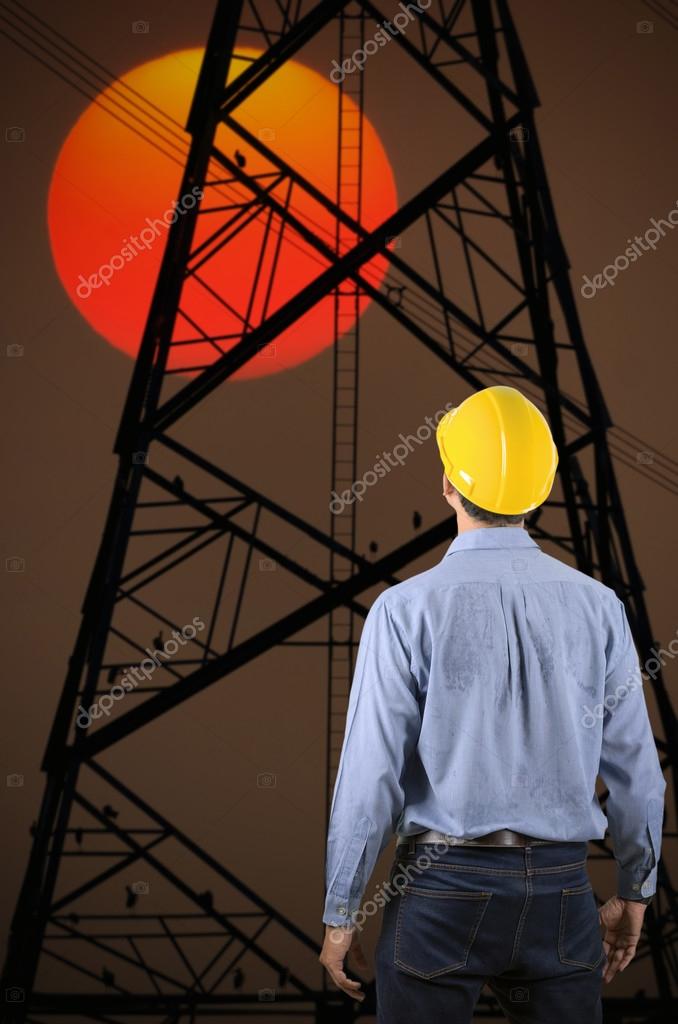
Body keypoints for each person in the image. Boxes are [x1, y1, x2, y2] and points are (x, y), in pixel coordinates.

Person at [319, 386, 665, 1023]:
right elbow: (637, 773)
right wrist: (636, 889)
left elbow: (371, 778)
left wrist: (342, 912)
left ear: (448, 484)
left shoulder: (404, 611)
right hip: (563, 894)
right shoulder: (600, 608)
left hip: (439, 890)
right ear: (540, 492)